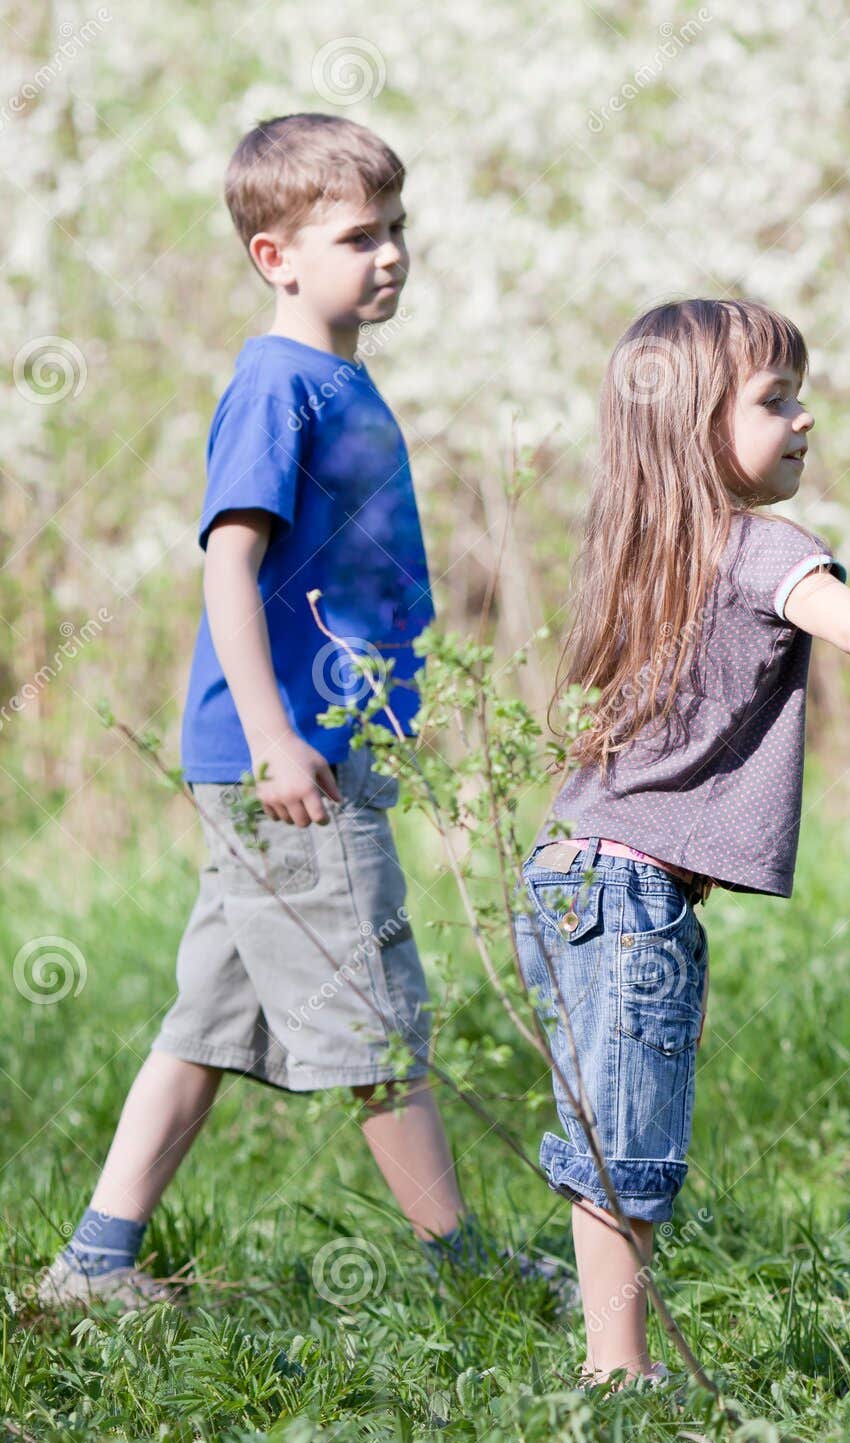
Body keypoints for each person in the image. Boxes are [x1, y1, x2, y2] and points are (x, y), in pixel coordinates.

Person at [35, 113, 561, 1311]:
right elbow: (228, 565)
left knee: (209, 1021)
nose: (391, 254)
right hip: (289, 769)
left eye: (398, 229)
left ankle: (93, 1263)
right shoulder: (277, 387)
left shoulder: (338, 381)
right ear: (275, 258)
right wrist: (278, 739)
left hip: (304, 757)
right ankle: (466, 1272)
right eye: (358, 236)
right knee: (378, 1016)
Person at [516, 298, 850, 1387]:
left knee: (604, 1132)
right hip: (628, 894)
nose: (804, 418)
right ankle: (617, 1374)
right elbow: (845, 619)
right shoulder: (759, 546)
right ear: (696, 427)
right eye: (775, 400)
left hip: (565, 876)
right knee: (626, 1145)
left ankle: (611, 1358)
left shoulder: (645, 551)